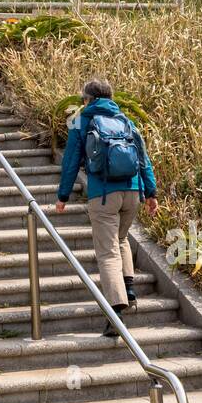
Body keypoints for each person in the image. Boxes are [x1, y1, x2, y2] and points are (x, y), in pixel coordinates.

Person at [55, 77, 158, 337]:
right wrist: (151, 192)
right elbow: (143, 159)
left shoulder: (80, 120)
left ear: (88, 99)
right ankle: (129, 288)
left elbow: (70, 161)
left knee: (107, 252)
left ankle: (116, 312)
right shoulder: (125, 120)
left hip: (103, 195)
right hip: (132, 192)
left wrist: (63, 195)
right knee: (121, 239)